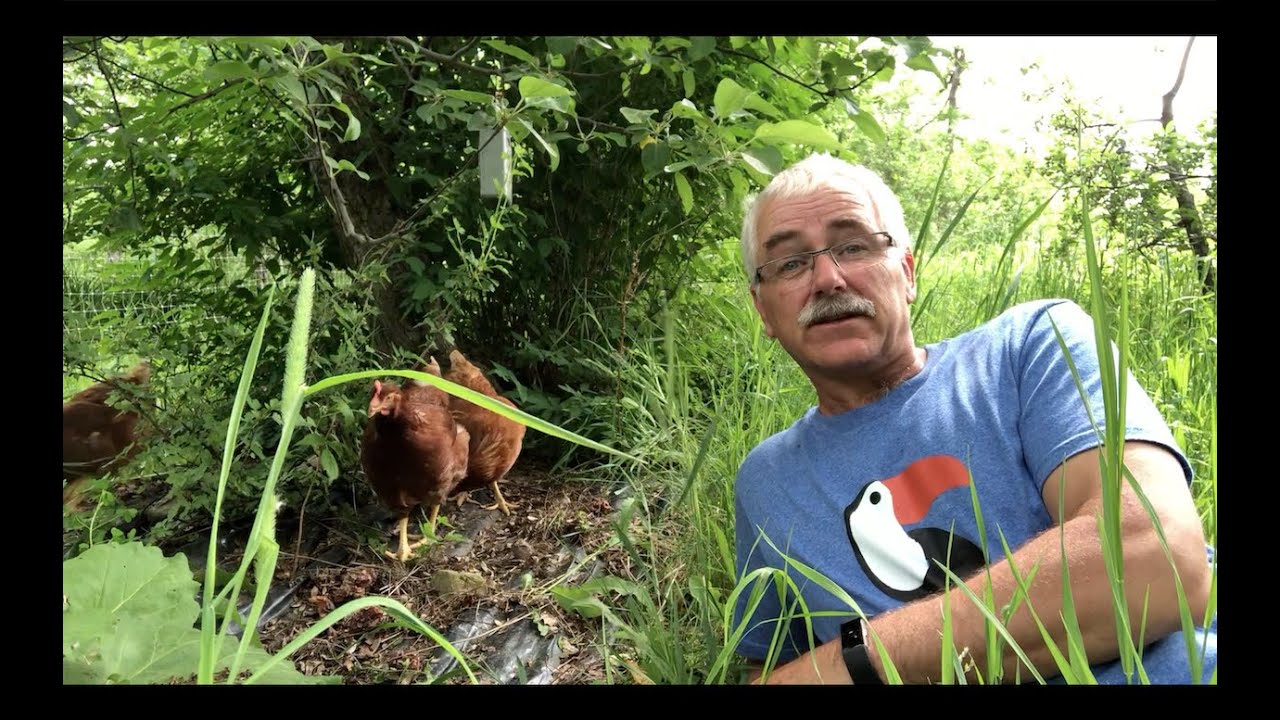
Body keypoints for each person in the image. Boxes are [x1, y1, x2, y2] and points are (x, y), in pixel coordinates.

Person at [731, 152, 1216, 685]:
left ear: (907, 273)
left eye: (853, 246)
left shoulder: (1032, 345)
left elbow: (1154, 561)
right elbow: (772, 667)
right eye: (791, 263)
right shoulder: (766, 481)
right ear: (763, 310)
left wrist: (852, 657)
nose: (827, 277)